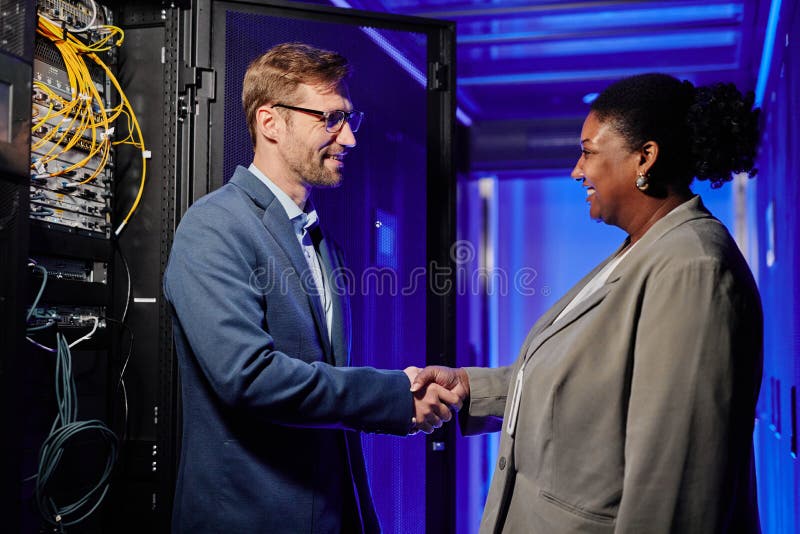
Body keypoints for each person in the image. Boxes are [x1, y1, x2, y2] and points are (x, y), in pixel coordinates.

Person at [412, 73, 763, 533]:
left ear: (645, 157)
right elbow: (592, 385)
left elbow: (673, 488)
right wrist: (469, 388)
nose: (577, 170)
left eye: (588, 152)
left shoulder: (692, 267)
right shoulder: (645, 249)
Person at [163, 42, 459, 534]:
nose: (349, 139)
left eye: (349, 120)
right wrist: (394, 394)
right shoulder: (213, 227)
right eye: (331, 119)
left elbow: (323, 387)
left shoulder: (320, 242)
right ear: (270, 122)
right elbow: (250, 378)